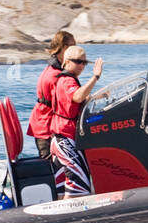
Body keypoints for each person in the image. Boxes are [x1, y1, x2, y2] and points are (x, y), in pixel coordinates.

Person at [49, 44, 103, 197]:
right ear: (66, 61)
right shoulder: (67, 81)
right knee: (79, 186)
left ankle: (61, 217)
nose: (81, 66)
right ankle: (75, 218)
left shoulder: (66, 80)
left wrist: (95, 98)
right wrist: (95, 77)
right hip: (66, 140)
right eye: (78, 62)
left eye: (84, 63)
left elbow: (75, 102)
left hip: (59, 140)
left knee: (64, 188)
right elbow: (77, 96)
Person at [27, 30, 74, 158]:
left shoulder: (52, 69)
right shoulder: (56, 75)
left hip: (42, 123)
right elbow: (64, 104)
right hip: (46, 127)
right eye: (73, 46)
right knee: (52, 167)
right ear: (64, 48)